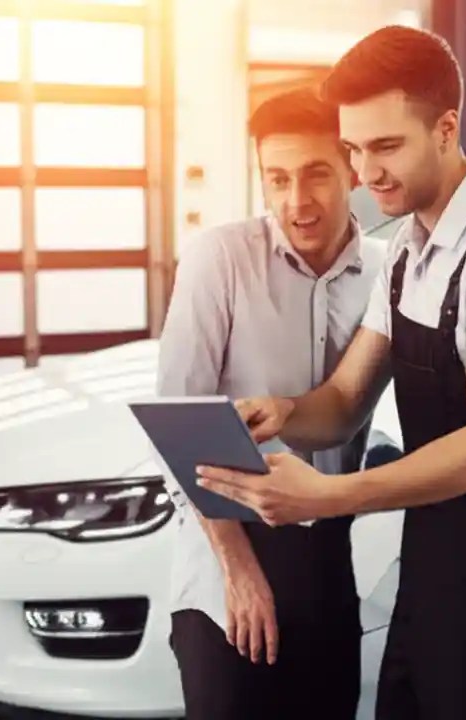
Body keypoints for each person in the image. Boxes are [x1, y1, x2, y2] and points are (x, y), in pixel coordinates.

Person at [196, 25, 466, 720]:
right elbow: (342, 400)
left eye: (385, 146)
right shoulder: (403, 252)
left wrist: (329, 497)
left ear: (446, 128)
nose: (365, 172)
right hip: (429, 571)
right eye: (353, 149)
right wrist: (282, 411)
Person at [155, 84, 384, 719]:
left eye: (315, 175)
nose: (296, 201)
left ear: (351, 169)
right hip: (228, 545)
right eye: (276, 179)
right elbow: (181, 420)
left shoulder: (390, 273)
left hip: (332, 555)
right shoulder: (220, 259)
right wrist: (239, 569)